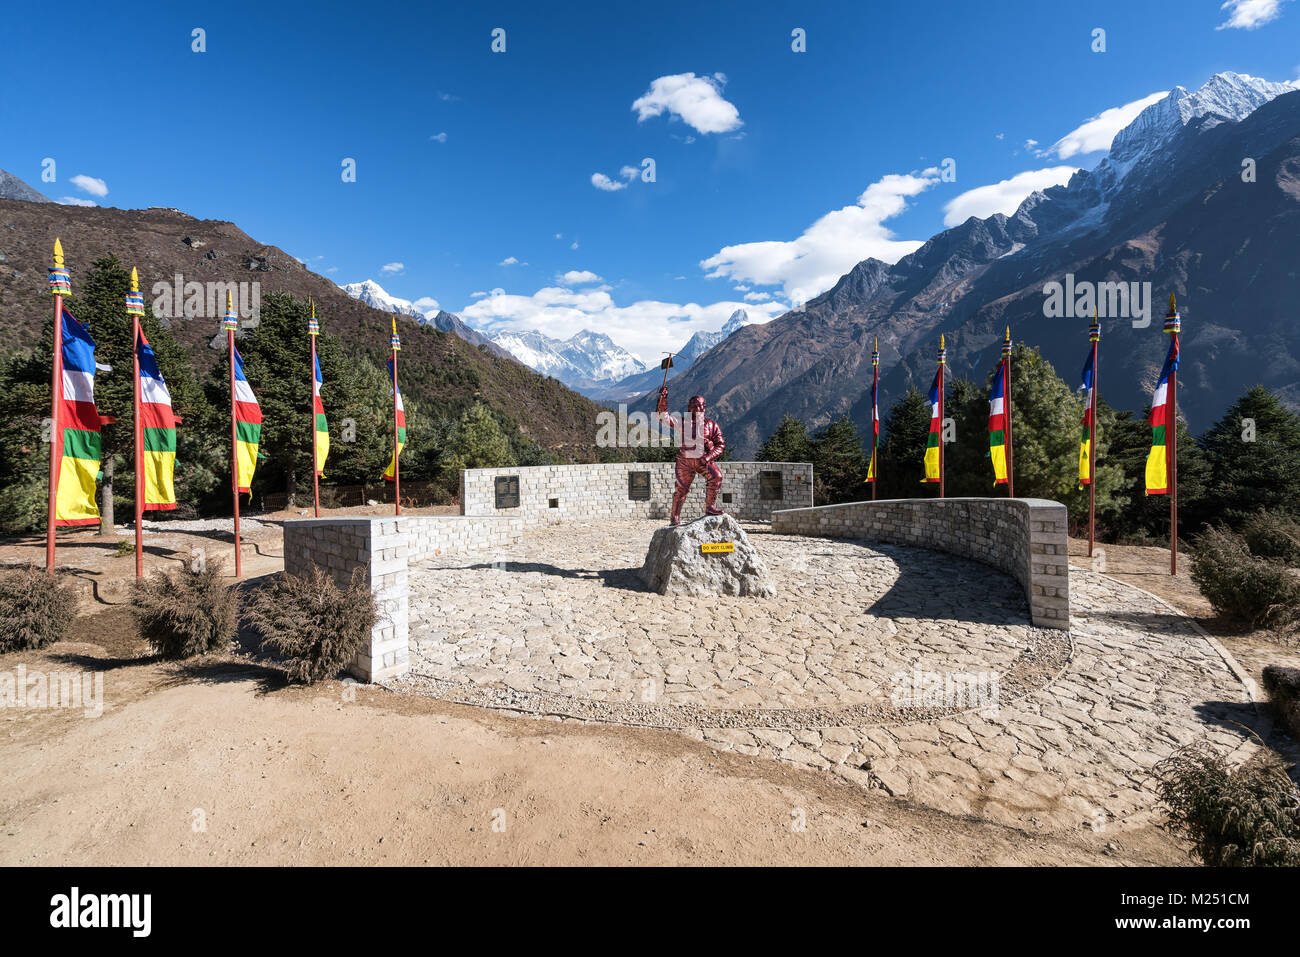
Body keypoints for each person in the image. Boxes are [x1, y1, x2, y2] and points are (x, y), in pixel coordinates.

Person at [656, 384, 726, 526]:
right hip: (685, 461)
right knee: (681, 489)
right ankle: (675, 517)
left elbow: (721, 445)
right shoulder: (683, 422)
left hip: (703, 460)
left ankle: (710, 507)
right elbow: (663, 417)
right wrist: (663, 398)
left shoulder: (711, 425)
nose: (698, 408)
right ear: (689, 408)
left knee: (716, 476)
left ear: (704, 407)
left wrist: (708, 457)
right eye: (694, 406)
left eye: (700, 406)